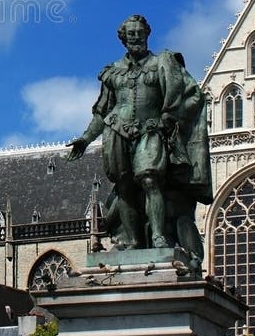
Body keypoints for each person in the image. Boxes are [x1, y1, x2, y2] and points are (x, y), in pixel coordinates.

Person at [67, 14, 212, 253]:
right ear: (123, 39)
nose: (136, 37)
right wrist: (85, 138)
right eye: (131, 34)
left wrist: (171, 115)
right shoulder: (113, 72)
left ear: (147, 34)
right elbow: (102, 112)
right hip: (116, 132)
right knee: (124, 187)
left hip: (151, 129)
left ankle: (158, 237)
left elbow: (194, 95)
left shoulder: (162, 63)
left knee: (150, 179)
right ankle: (133, 240)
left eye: (140, 33)